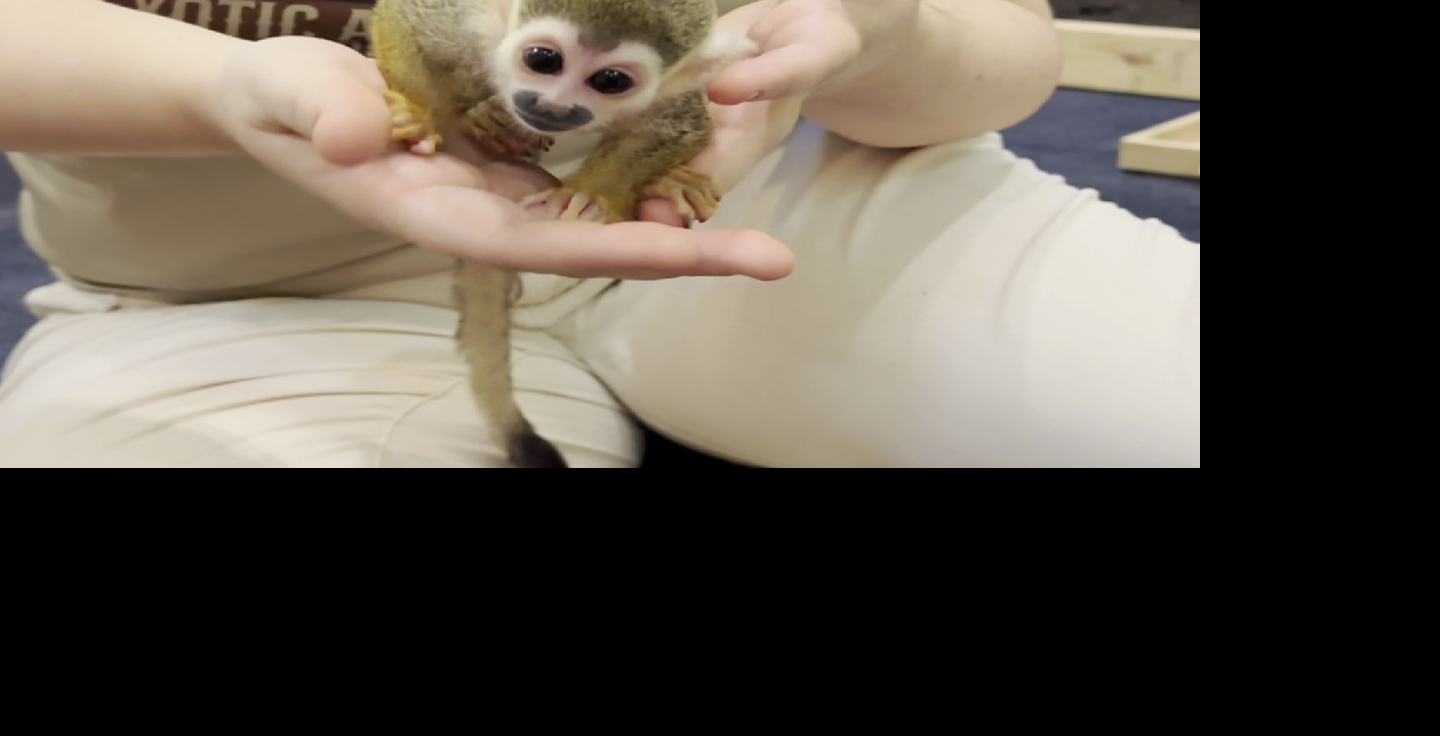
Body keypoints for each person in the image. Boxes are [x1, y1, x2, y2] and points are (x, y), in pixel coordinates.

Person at [0, 0, 1200, 468]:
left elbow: (1000, 55)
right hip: (226, 294)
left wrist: (878, 29)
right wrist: (215, 89)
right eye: (544, 69)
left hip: (755, 208)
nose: (554, 106)